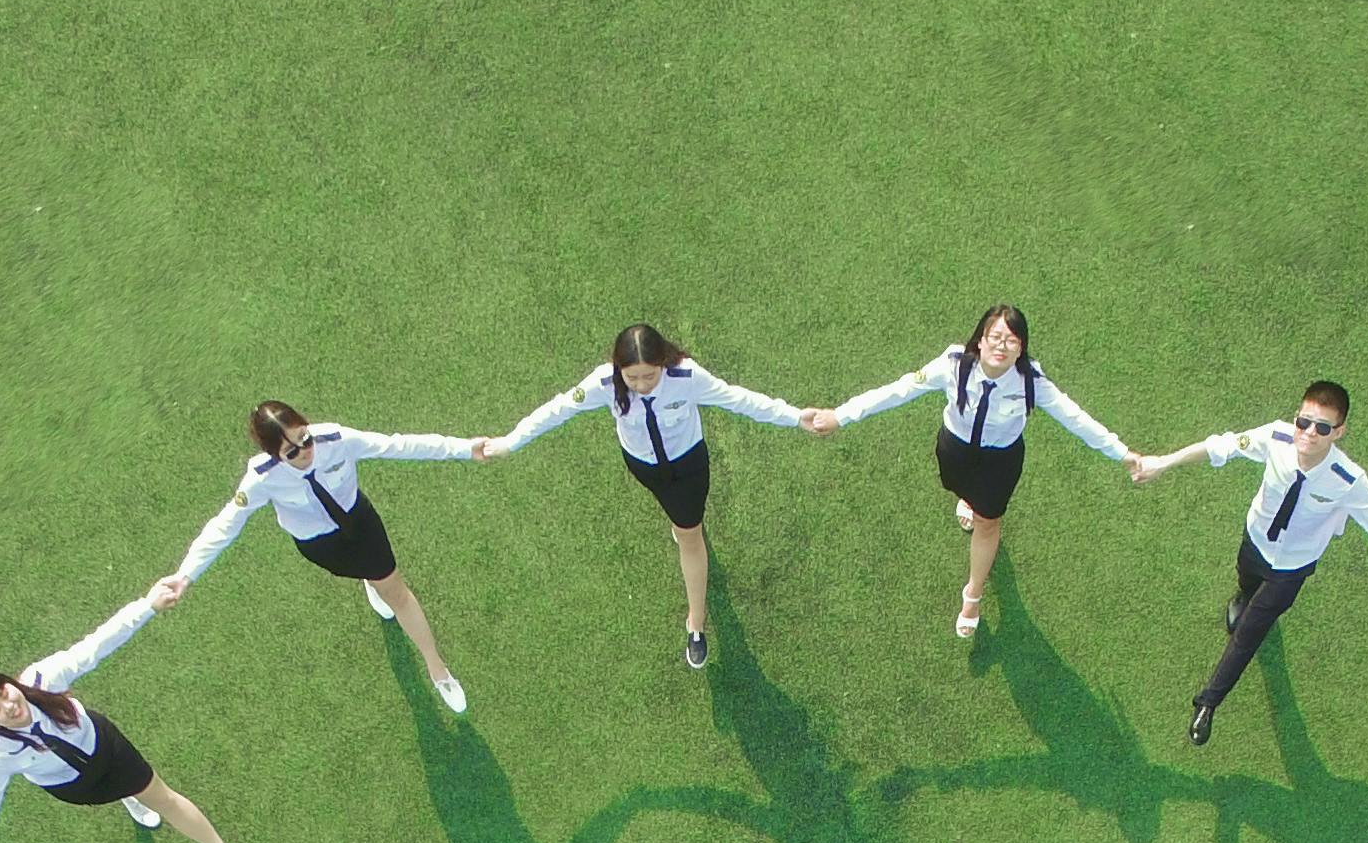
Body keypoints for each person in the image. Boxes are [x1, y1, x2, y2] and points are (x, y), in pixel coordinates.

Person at [485, 325, 819, 670]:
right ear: (619, 369)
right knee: (683, 525)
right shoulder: (603, 383)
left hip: (687, 466)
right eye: (633, 378)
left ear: (663, 362)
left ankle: (696, 624)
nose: (642, 385)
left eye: (650, 376)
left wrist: (795, 417)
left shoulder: (687, 376)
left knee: (690, 535)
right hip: (643, 465)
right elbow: (559, 409)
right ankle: (684, 529)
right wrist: (512, 440)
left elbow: (740, 399)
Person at [1128, 381, 1368, 745]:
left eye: (1322, 428)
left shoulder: (1348, 481)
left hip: (1292, 567)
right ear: (1296, 419)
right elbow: (1219, 446)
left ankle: (1208, 703)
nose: (1309, 434)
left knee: (1248, 634)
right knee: (1245, 583)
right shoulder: (1276, 436)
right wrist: (1163, 462)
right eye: (1304, 422)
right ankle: (1243, 596)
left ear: (1339, 432)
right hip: (1256, 540)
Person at [814, 305, 1134, 638]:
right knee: (959, 491)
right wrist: (841, 415)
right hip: (955, 451)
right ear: (980, 340)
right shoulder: (953, 366)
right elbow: (899, 389)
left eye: (1011, 340)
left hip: (1000, 462)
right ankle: (967, 501)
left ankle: (973, 595)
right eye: (995, 337)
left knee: (988, 521)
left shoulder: (1033, 383)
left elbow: (1078, 419)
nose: (1001, 345)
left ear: (1021, 348)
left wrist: (1124, 455)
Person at [156, 404, 481, 715]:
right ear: (273, 455)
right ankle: (369, 580)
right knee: (372, 578)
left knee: (395, 590)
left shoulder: (336, 439)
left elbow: (399, 445)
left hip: (360, 522)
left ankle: (437, 669)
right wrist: (186, 575)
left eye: (304, 439)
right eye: (291, 452)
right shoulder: (261, 478)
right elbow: (225, 525)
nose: (305, 451)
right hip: (320, 545)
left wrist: (467, 449)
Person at [0, 583, 267, 843]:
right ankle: (127, 796)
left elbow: (97, 644)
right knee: (126, 792)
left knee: (165, 800)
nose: (10, 707)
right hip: (76, 785)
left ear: (10, 683)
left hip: (105, 746)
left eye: (5, 693)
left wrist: (148, 606)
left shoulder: (43, 678)